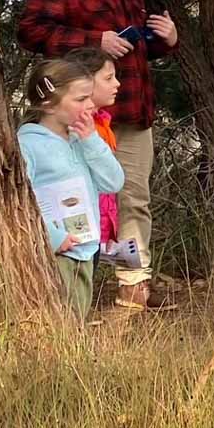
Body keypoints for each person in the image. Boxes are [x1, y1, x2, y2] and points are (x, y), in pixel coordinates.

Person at [16, 0, 180, 313]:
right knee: (75, 197)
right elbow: (30, 32)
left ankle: (133, 284)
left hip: (133, 110)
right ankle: (68, 284)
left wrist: (166, 39)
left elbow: (137, 47)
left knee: (132, 196)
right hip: (79, 115)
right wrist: (94, 40)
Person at [17, 57, 126, 324]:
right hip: (56, 254)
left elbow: (113, 182)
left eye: (90, 97)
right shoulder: (27, 144)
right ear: (47, 104)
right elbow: (21, 199)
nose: (90, 105)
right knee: (57, 322)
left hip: (85, 250)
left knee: (76, 319)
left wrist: (91, 141)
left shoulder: (82, 139)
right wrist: (52, 237)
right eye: (80, 99)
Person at [62, 47, 136, 269]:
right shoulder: (72, 129)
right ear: (83, 82)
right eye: (108, 78)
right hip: (77, 230)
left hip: (97, 228)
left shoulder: (102, 123)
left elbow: (111, 181)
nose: (117, 84)